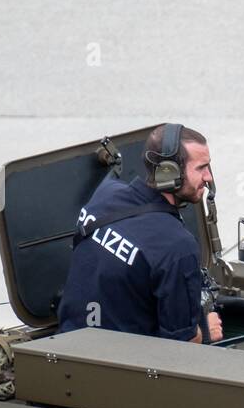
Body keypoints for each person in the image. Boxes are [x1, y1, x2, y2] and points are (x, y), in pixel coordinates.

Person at [58, 123, 222, 343]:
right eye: (201, 168)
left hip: (65, 345)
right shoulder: (177, 246)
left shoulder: (105, 193)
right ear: (168, 171)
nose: (208, 177)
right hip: (122, 368)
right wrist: (206, 328)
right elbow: (181, 347)